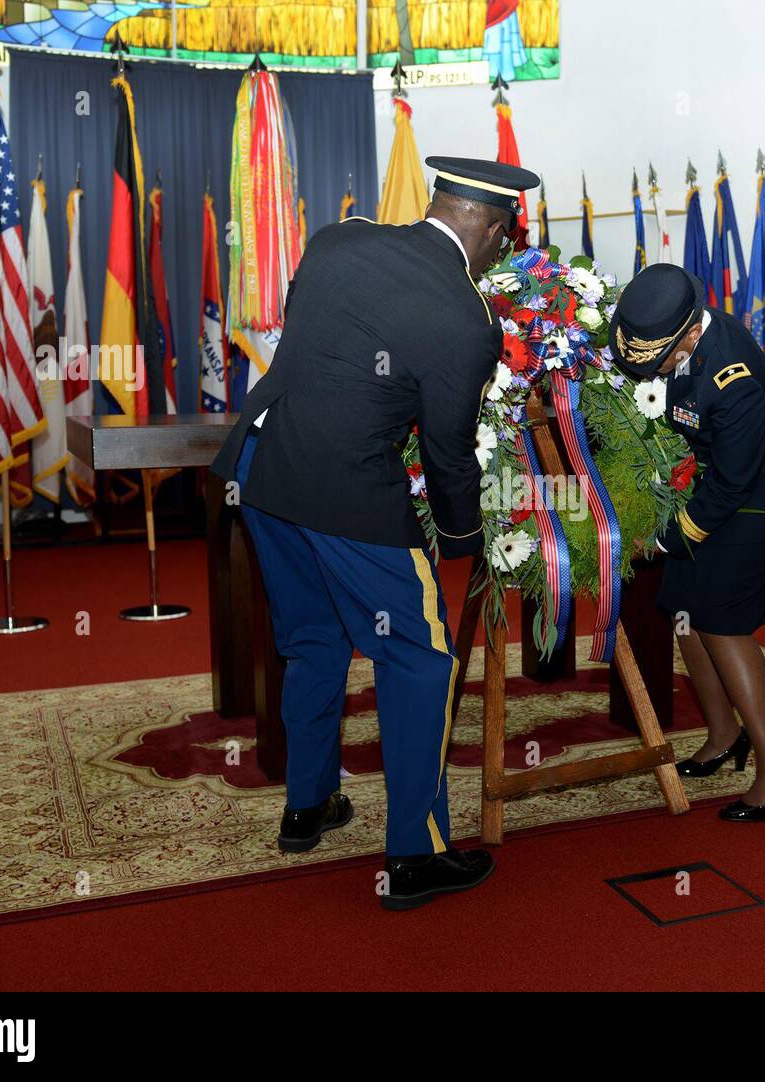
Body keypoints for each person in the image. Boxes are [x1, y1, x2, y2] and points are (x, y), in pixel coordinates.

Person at [210, 157, 540, 908]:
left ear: (436, 203)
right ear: (490, 228)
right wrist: (462, 537)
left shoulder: (336, 238)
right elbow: (449, 450)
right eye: (504, 242)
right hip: (348, 493)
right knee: (418, 656)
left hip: (261, 470)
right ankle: (415, 857)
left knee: (313, 641)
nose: (500, 257)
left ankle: (309, 804)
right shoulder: (466, 317)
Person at [608, 264, 765, 822]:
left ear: (686, 337)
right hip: (724, 478)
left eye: (657, 359)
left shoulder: (731, 382)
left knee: (722, 617)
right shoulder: (674, 337)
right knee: (682, 605)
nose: (650, 370)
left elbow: (733, 482)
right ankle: (726, 735)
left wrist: (665, 538)